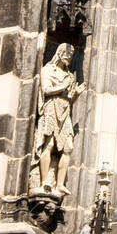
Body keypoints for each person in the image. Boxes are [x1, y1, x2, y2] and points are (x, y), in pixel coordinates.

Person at [32, 42, 84, 195]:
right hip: (51, 108)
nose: (69, 57)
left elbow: (68, 100)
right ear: (59, 53)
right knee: (48, 145)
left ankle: (60, 184)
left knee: (68, 147)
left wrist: (76, 94)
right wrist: (63, 86)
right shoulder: (48, 70)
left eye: (71, 55)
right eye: (67, 54)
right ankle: (44, 181)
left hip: (64, 111)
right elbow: (46, 90)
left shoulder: (69, 76)